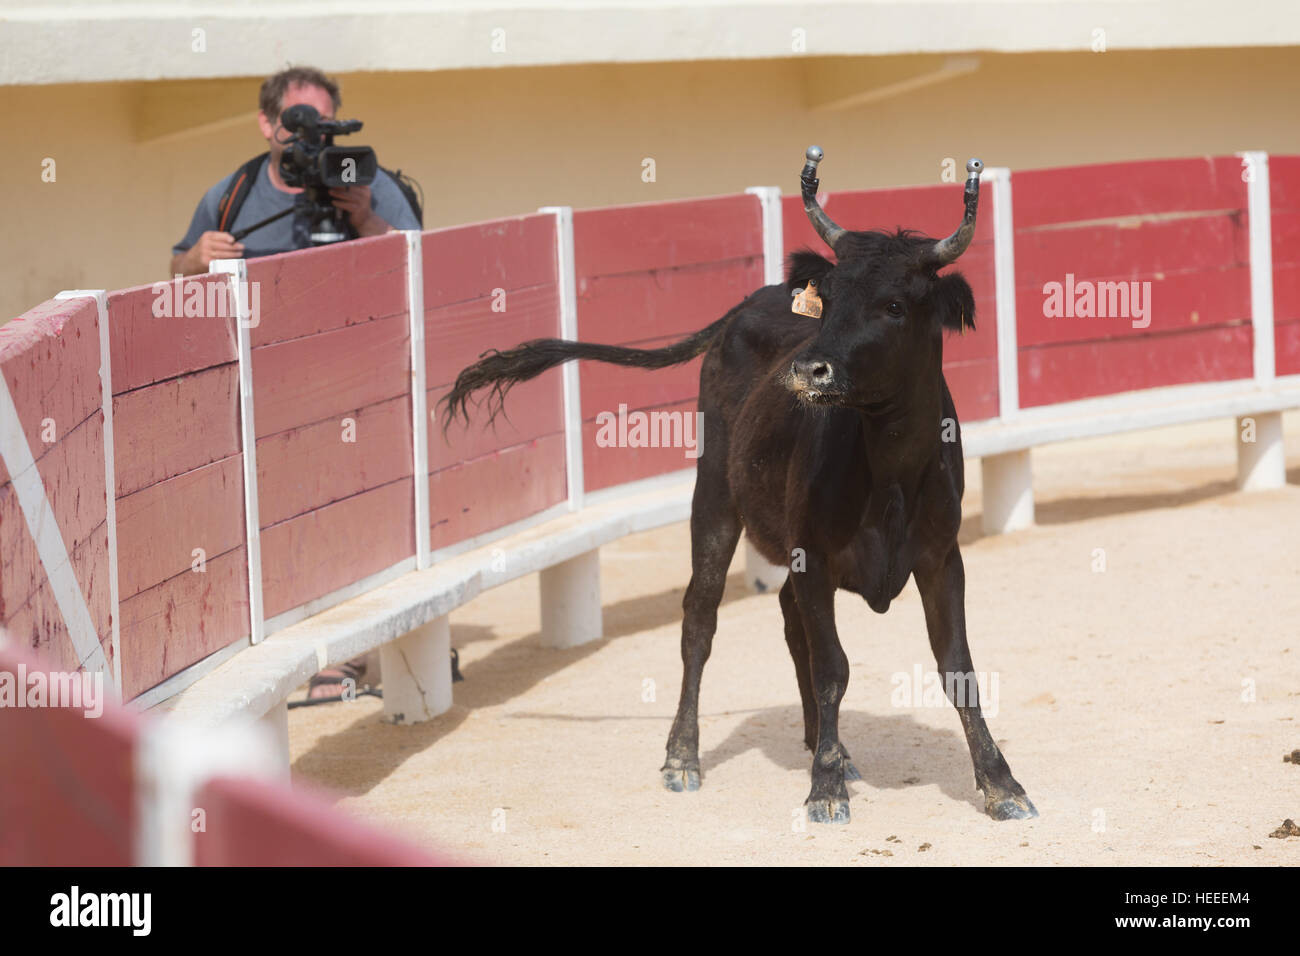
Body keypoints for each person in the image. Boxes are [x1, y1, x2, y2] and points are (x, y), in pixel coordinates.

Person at [170, 65, 421, 276]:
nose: (313, 133)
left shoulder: (362, 179)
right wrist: (194, 261)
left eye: (324, 122)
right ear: (266, 124)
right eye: (299, 120)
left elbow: (419, 267)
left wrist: (367, 221)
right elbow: (177, 272)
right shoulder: (231, 194)